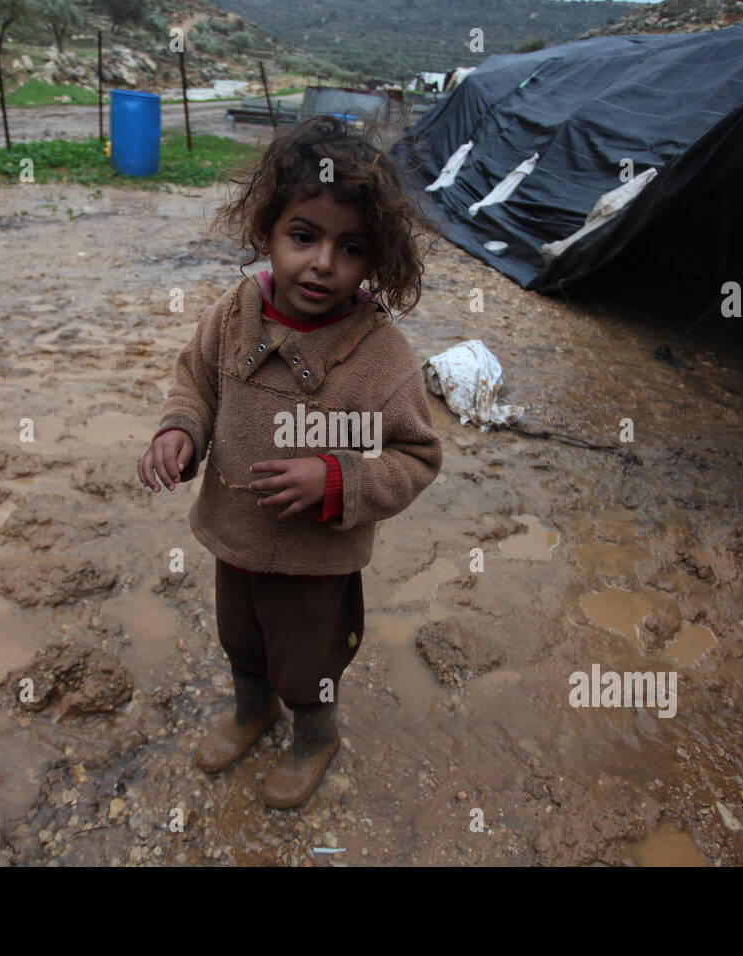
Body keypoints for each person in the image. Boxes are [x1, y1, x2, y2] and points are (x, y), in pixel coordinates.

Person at [136, 116, 442, 809]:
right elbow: (196, 381)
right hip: (234, 537)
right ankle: (252, 710)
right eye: (304, 236)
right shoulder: (233, 313)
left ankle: (315, 736)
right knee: (240, 638)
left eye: (352, 247)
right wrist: (179, 432)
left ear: (377, 260)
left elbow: (416, 455)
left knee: (309, 664)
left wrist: (338, 479)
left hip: (316, 562)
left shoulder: (381, 356)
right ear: (269, 231)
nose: (323, 263)